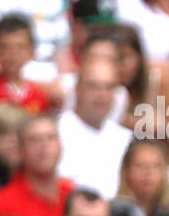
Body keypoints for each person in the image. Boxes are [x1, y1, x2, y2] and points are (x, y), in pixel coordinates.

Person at [55, 57, 133, 200]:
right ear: (77, 89)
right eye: (93, 86)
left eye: (109, 87)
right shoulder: (53, 133)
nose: (102, 94)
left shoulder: (127, 139)